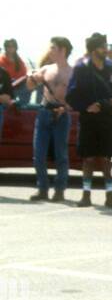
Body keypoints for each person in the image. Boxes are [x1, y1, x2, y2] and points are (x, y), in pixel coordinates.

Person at [65, 32, 112, 208]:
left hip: (107, 118)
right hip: (89, 119)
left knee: (109, 157)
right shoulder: (81, 69)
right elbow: (71, 95)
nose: (105, 49)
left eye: (106, 46)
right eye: (102, 46)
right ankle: (86, 194)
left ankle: (110, 194)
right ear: (93, 50)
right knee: (89, 158)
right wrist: (86, 106)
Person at [26, 37, 74, 203]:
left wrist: (65, 108)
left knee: (61, 155)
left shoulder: (72, 72)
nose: (50, 50)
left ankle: (59, 190)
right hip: (44, 112)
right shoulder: (46, 69)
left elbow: (77, 97)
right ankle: (42, 189)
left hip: (62, 115)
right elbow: (30, 86)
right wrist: (31, 77)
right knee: (38, 155)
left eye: (53, 47)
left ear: (63, 50)